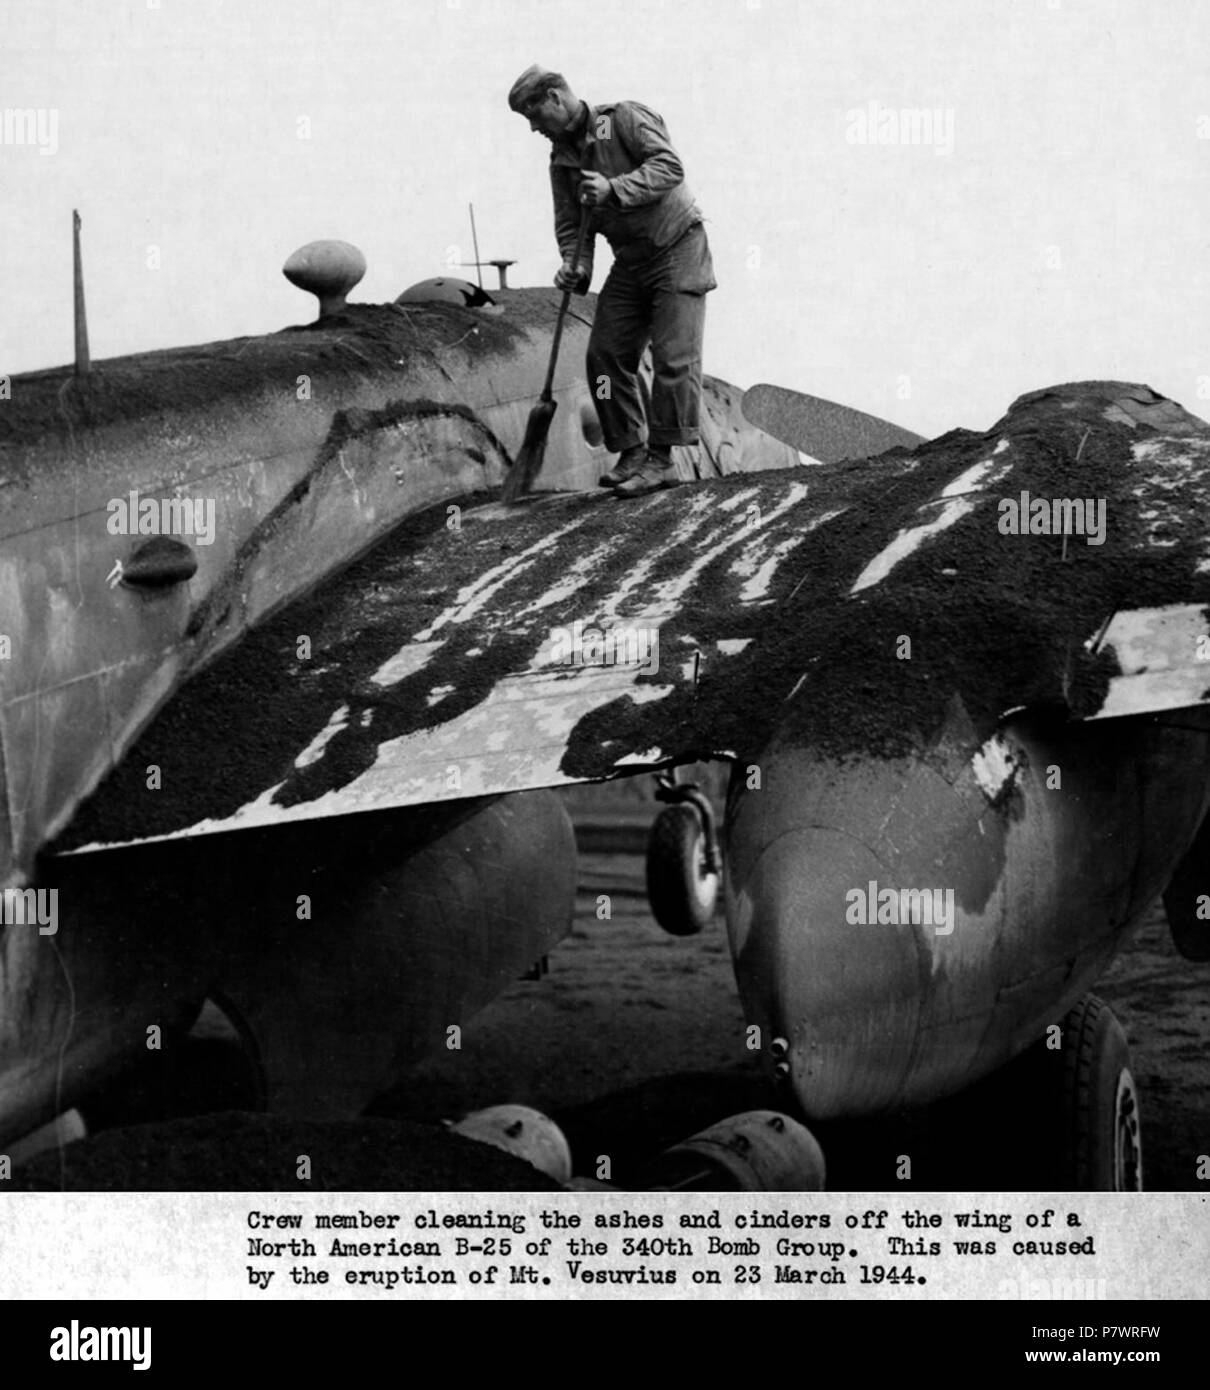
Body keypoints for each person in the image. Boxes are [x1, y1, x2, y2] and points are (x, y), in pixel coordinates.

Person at [508, 66, 716, 498]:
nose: (532, 127)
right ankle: (632, 451)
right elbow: (571, 225)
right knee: (605, 356)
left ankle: (662, 461)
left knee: (674, 358)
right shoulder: (561, 161)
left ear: (556, 98)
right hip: (631, 261)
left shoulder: (621, 119)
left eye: (534, 113)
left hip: (676, 247)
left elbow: (669, 166)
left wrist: (615, 188)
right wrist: (575, 265)